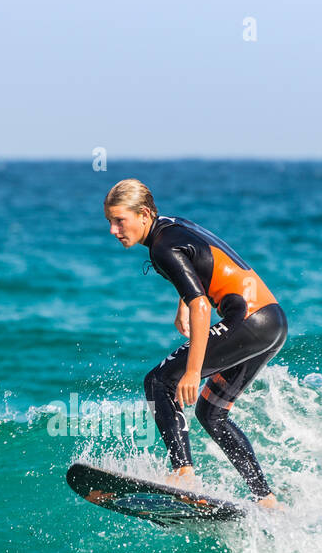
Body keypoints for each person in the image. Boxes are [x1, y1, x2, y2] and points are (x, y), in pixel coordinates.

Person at [104, 178, 287, 507]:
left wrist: (191, 372)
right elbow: (196, 262)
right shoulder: (171, 226)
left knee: (159, 381)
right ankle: (267, 500)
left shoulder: (161, 247)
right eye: (110, 222)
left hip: (249, 321)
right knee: (211, 413)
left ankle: (183, 472)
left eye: (120, 221)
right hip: (272, 322)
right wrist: (182, 304)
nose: (114, 231)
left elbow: (202, 304)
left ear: (144, 214)